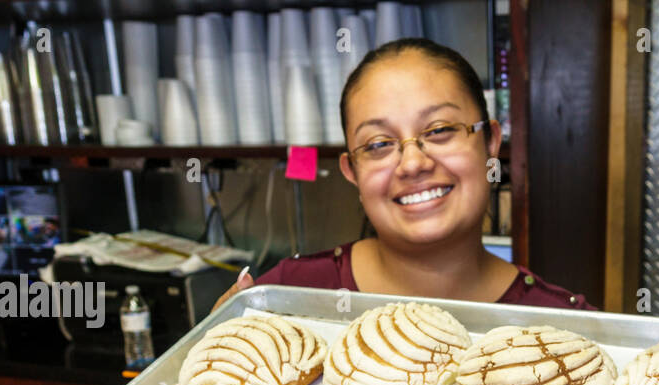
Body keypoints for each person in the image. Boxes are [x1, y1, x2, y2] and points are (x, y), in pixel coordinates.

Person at [217, 38, 591, 310]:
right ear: (352, 171)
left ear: (490, 142)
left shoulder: (563, 323)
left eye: (439, 130)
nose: (413, 164)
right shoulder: (285, 297)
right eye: (378, 144)